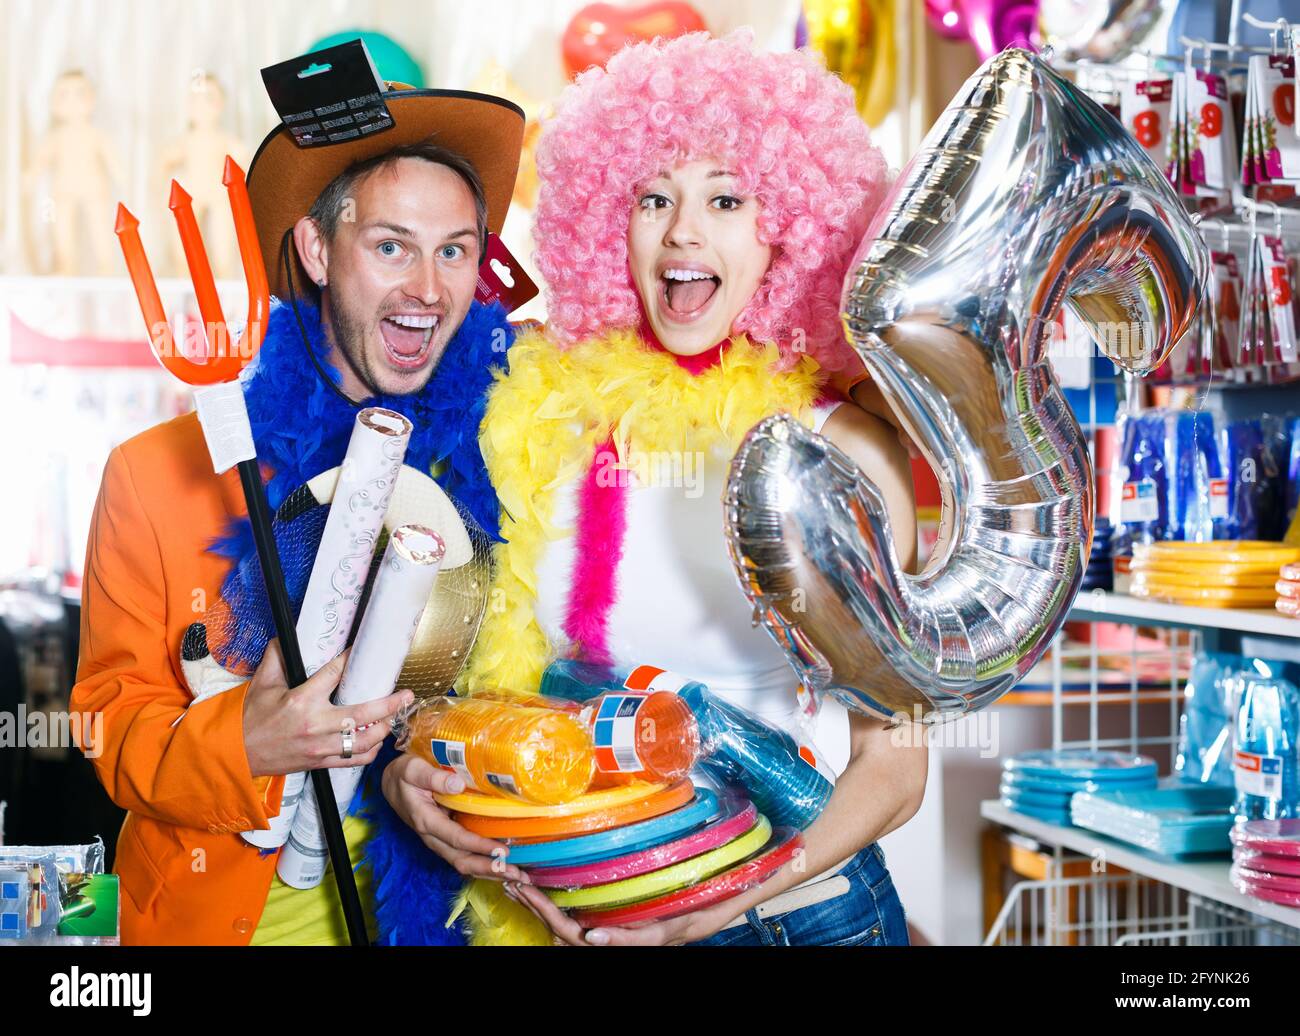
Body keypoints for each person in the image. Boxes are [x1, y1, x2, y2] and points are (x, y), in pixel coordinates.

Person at [382, 30, 928, 947]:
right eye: (653, 198)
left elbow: (897, 766)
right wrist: (412, 769)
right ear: (607, 222)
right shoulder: (524, 415)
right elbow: (441, 669)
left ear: (785, 227)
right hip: (569, 910)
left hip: (789, 916)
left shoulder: (842, 453)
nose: (683, 231)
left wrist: (726, 906)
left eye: (726, 198)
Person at [70, 81, 527, 945]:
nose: (428, 289)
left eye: (455, 251)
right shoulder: (155, 476)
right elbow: (106, 722)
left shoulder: (500, 466)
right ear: (316, 249)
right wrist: (246, 739)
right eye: (392, 247)